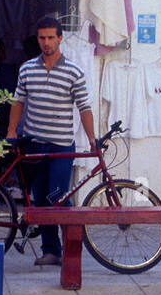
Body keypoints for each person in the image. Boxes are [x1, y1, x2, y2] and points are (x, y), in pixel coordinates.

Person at [5, 15, 94, 267]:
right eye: (42, 38)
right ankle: (51, 251)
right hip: (34, 143)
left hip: (61, 146)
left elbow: (84, 107)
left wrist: (92, 138)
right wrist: (12, 131)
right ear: (38, 39)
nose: (46, 43)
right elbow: (18, 101)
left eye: (50, 38)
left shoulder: (73, 72)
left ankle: (70, 250)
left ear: (60, 38)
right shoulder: (27, 69)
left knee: (59, 197)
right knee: (41, 198)